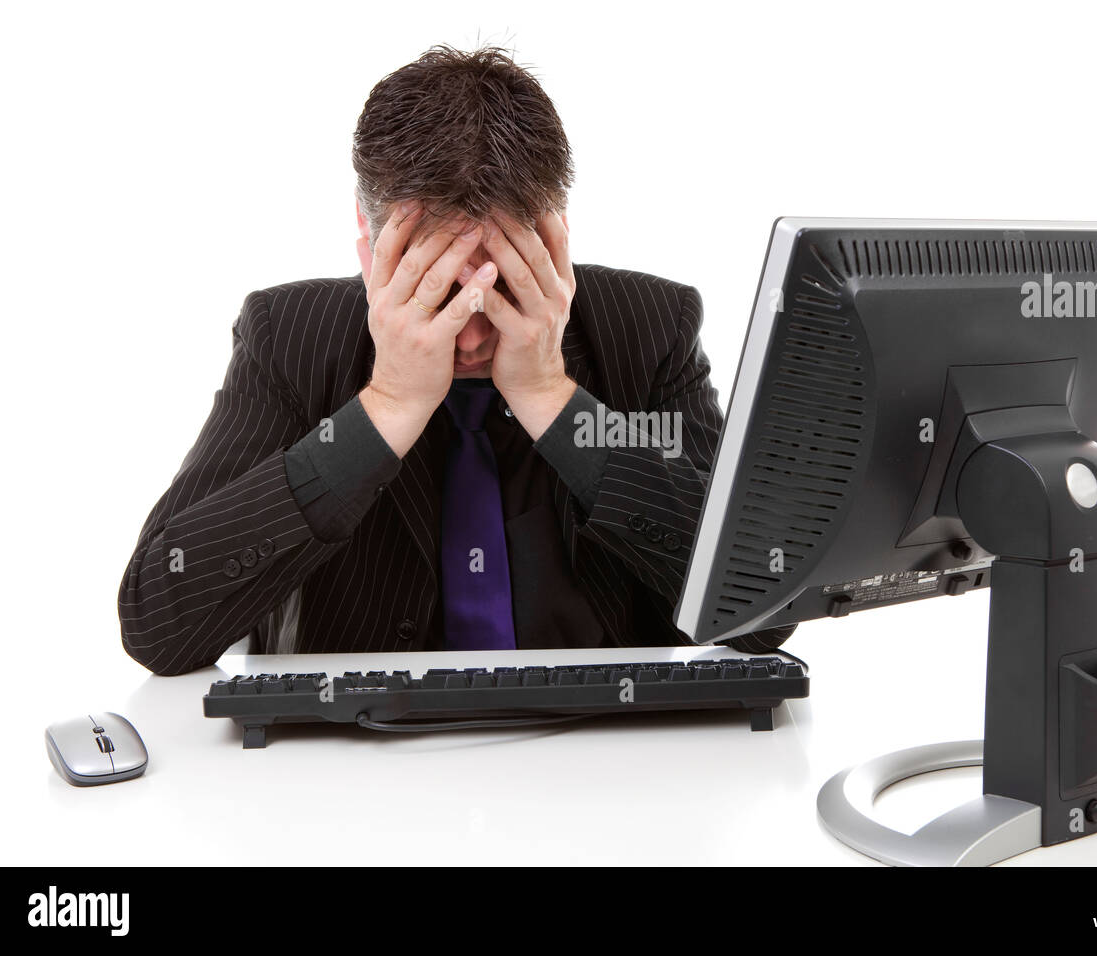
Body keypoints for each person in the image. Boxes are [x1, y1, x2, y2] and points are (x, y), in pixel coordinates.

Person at [118, 45, 793, 675]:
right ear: (367, 243)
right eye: (437, 289)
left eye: (499, 288)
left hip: (600, 768)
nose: (467, 340)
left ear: (554, 239)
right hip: (354, 781)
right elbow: (159, 624)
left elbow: (763, 612)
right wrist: (385, 407)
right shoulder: (290, 337)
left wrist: (555, 401)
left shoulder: (648, 329)